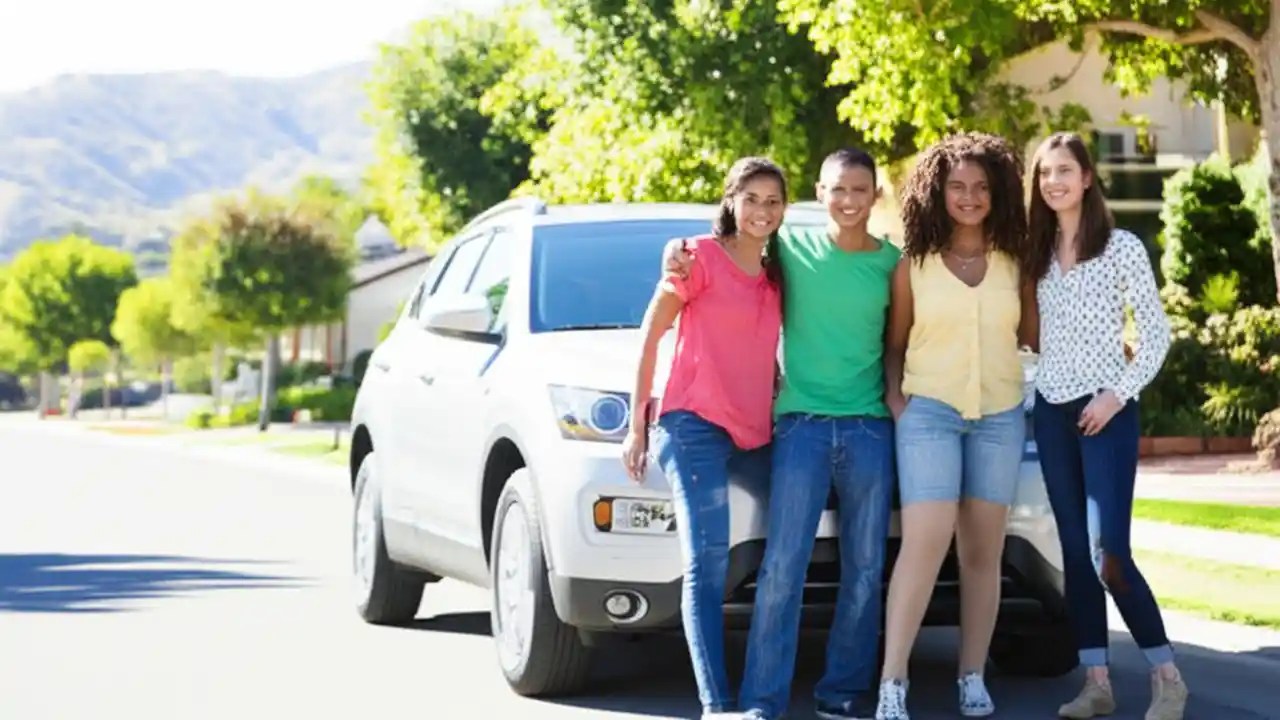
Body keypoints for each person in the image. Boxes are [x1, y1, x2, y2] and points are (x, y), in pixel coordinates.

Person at [666, 147, 900, 720]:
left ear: (874, 196)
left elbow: (897, 343)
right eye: (837, 189)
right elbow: (723, 250)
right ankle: (761, 702)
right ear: (818, 195)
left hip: (870, 428)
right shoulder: (787, 251)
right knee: (782, 566)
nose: (848, 200)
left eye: (859, 190)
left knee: (866, 568)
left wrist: (895, 403)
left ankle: (841, 692)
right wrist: (676, 249)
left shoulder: (894, 263)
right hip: (799, 428)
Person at [876, 131, 1037, 720]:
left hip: (999, 415)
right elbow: (895, 344)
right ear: (936, 192)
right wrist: (898, 401)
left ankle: (972, 675)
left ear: (997, 194)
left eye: (980, 187)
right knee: (924, 543)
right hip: (930, 414)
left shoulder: (1017, 263)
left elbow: (1036, 338)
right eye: (956, 186)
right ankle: (894, 680)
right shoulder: (911, 264)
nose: (969, 196)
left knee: (981, 553)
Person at [1027, 131, 1187, 720]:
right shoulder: (1033, 252)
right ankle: (1097, 683)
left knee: (1107, 551)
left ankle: (1167, 677)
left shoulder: (1121, 247)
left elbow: (1156, 333)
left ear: (1087, 178)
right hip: (1050, 410)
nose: (1054, 182)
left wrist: (1117, 395)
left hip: (1107, 412)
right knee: (1074, 553)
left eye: (1064, 171)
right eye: (1045, 174)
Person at [622, 156, 787, 719]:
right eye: (752, 199)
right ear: (731, 201)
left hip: (756, 434)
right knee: (707, 562)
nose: (762, 211)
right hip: (692, 425)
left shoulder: (776, 273)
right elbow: (651, 334)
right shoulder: (700, 259)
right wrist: (636, 422)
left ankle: (767, 688)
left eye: (773, 201)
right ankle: (718, 706)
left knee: (791, 539)